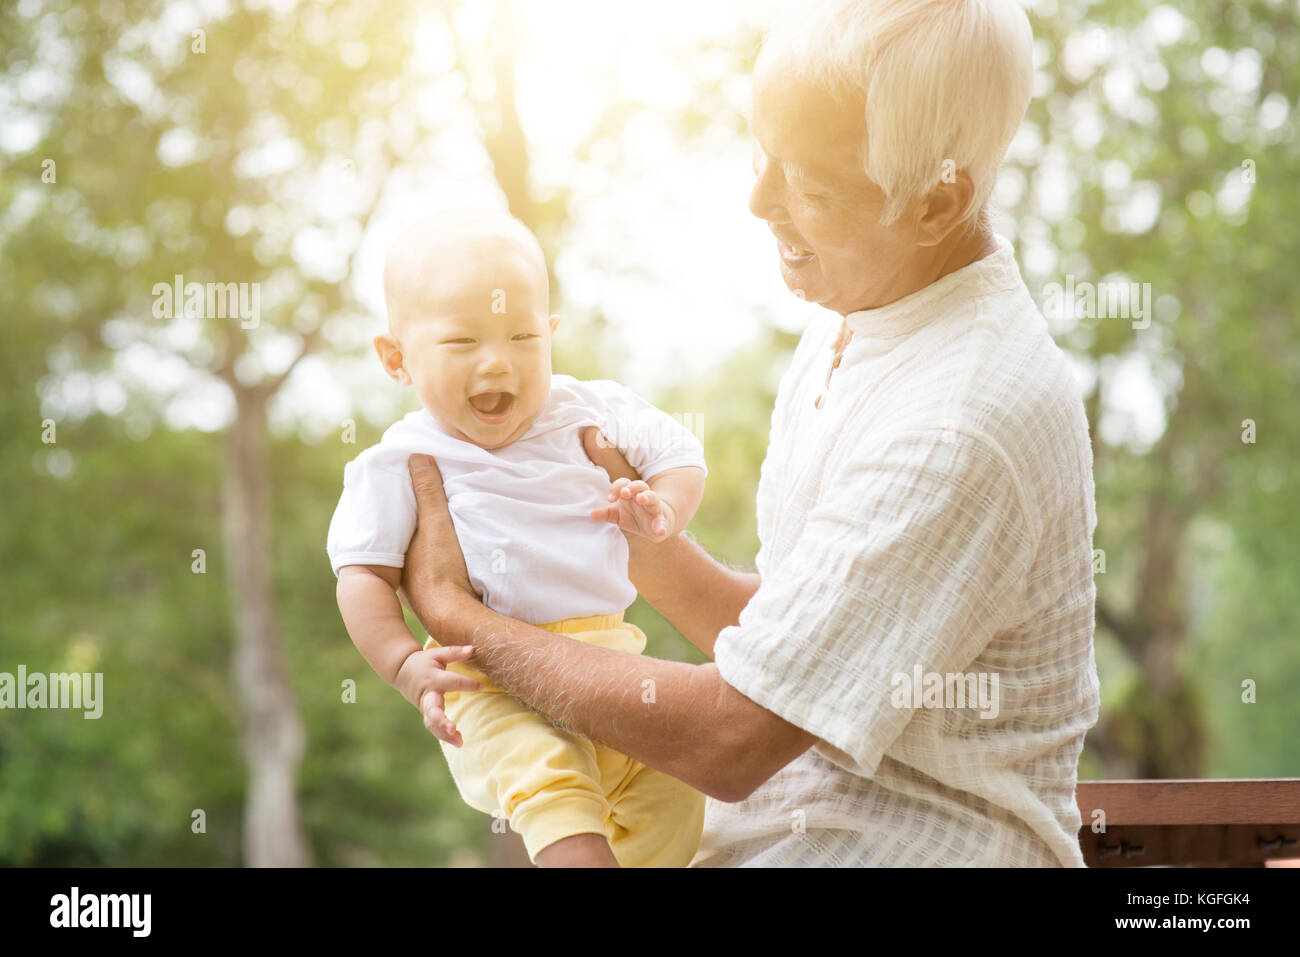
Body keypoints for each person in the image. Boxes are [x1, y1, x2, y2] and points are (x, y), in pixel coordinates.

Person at [399, 0, 1101, 867]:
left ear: (937, 200)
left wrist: (460, 618)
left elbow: (728, 738)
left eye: (809, 184)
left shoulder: (961, 421)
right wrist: (638, 545)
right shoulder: (856, 317)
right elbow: (796, 640)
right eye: (762, 155)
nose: (758, 199)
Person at [327, 209, 708, 867]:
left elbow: (680, 454)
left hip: (609, 653)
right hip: (488, 679)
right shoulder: (403, 458)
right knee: (551, 782)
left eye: (523, 334)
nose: (497, 361)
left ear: (552, 334)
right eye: (461, 342)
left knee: (671, 774)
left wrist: (662, 507)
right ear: (396, 358)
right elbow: (361, 575)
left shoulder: (588, 407)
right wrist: (402, 665)